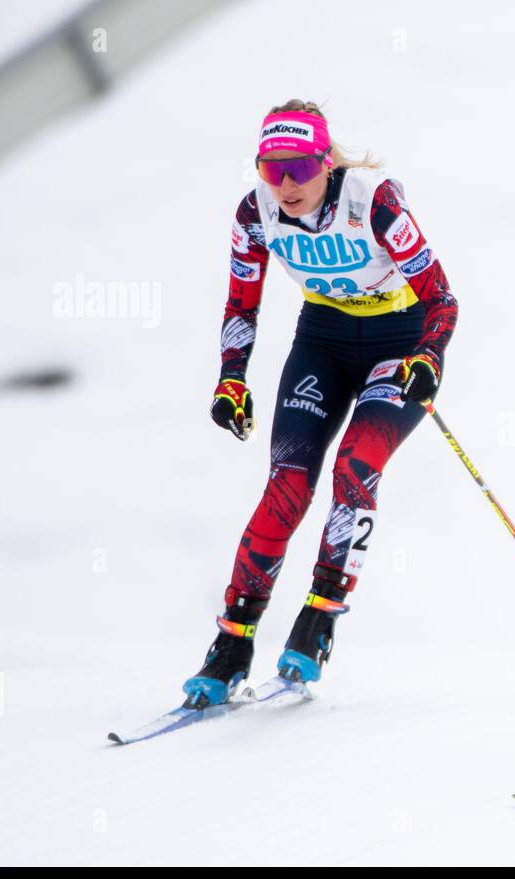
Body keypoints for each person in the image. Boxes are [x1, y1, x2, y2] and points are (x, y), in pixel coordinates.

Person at [182, 100, 458, 707]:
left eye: (300, 167)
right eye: (270, 167)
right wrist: (232, 379)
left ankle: (320, 616)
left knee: (355, 466)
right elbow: (241, 305)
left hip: (399, 341)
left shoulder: (374, 202)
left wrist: (429, 357)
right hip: (324, 344)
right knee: (288, 483)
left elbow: (443, 299)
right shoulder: (254, 214)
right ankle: (231, 643)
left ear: (326, 163)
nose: (285, 184)